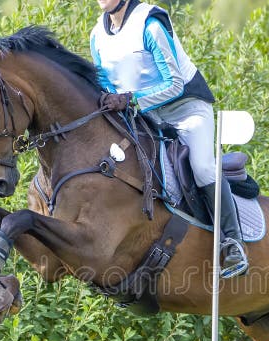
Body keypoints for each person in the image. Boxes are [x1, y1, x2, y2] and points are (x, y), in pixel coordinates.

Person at [90, 0, 249, 278]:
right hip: (145, 117)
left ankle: (233, 242)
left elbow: (175, 83)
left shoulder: (150, 24)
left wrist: (131, 99)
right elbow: (104, 83)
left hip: (185, 110)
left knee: (201, 167)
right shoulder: (96, 36)